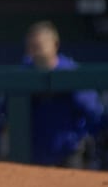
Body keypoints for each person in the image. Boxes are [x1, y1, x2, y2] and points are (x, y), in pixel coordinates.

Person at [21, 21, 102, 169]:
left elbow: (93, 110)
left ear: (55, 44)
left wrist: (79, 138)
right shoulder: (23, 72)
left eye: (38, 46)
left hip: (69, 153)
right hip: (34, 154)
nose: (34, 52)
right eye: (31, 46)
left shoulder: (70, 71)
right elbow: (8, 113)